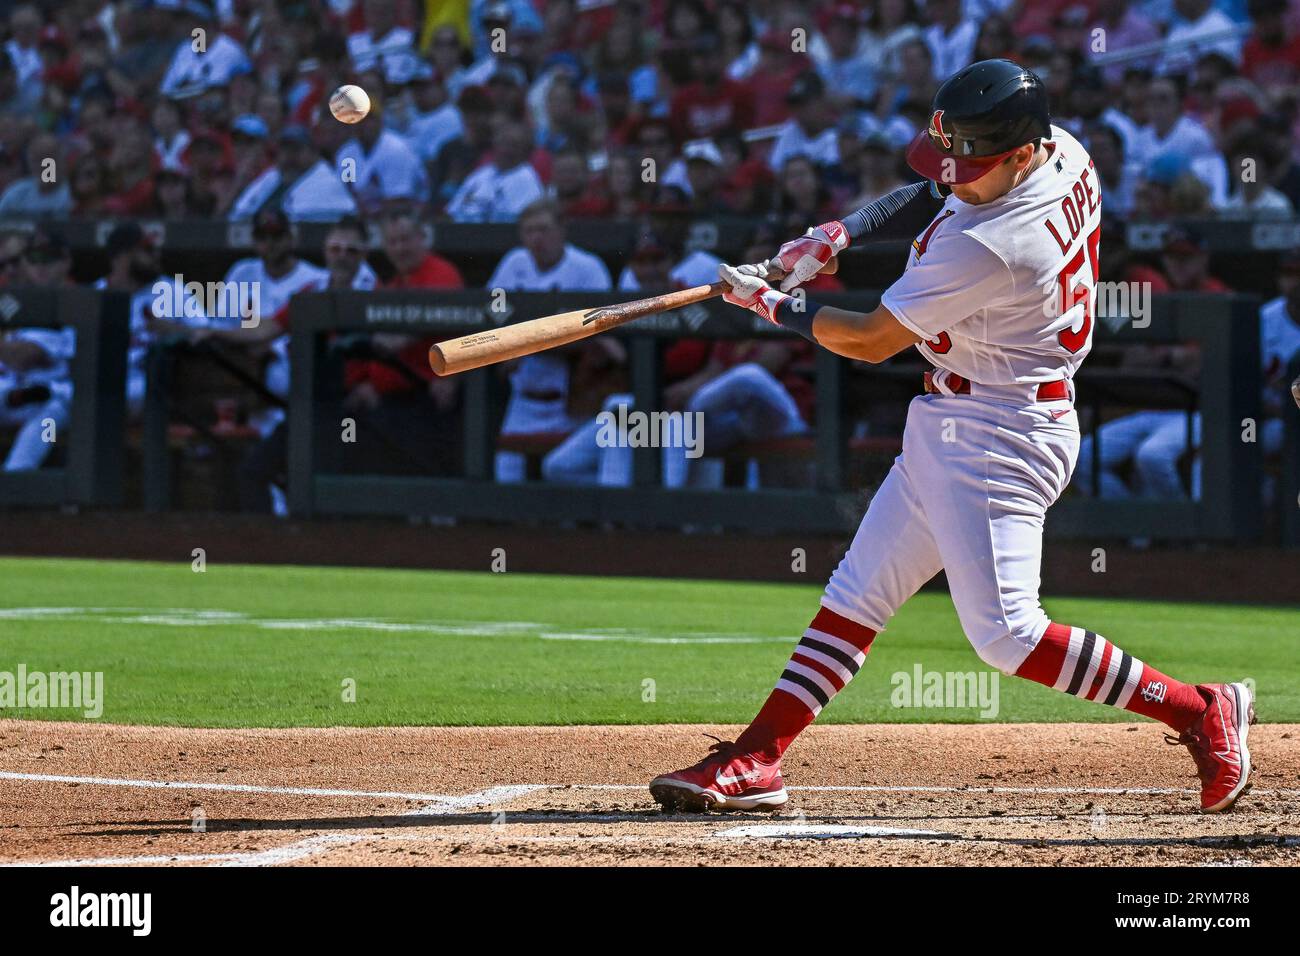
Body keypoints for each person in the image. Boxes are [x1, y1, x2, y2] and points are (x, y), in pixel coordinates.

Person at [650, 60, 1254, 816]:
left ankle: (1201, 710)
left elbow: (870, 340)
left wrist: (774, 302)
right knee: (856, 595)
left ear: (1022, 153)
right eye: (954, 156)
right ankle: (757, 758)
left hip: (1002, 430)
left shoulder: (996, 243)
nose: (958, 177)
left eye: (975, 163)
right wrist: (840, 232)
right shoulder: (1063, 149)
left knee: (1007, 636)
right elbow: (932, 189)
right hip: (960, 413)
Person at [486, 199, 613, 482]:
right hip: (523, 398)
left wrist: (527, 344)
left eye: (544, 229)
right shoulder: (514, 263)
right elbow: (491, 315)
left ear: (562, 229)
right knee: (506, 476)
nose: (537, 238)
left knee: (562, 472)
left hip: (573, 401)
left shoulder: (588, 267)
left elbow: (597, 334)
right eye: (529, 231)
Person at [228, 125, 357, 222]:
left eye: (295, 150)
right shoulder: (274, 176)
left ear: (313, 153)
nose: (288, 156)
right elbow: (240, 212)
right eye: (284, 149)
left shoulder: (327, 180)